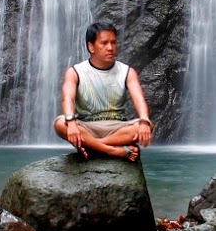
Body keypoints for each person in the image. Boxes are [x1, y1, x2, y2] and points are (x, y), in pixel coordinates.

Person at [54, 20, 153, 161]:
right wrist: (70, 123)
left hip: (118, 127)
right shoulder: (75, 72)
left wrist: (144, 121)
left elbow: (139, 99)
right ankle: (111, 150)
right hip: (87, 126)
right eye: (104, 43)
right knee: (60, 123)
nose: (110, 48)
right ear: (91, 47)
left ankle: (94, 147)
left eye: (113, 43)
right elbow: (67, 98)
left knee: (147, 125)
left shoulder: (127, 72)